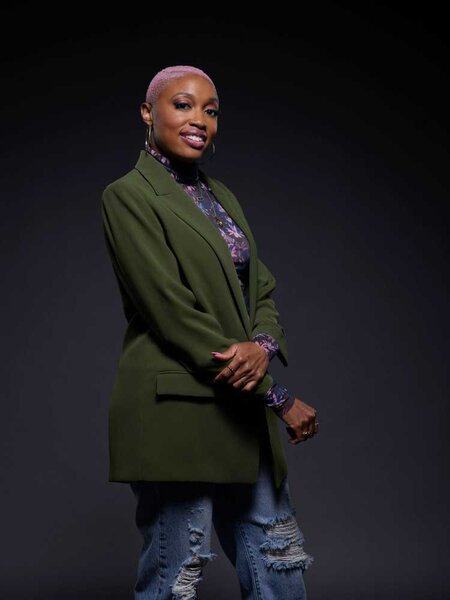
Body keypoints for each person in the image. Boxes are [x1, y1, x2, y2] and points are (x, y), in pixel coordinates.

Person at [101, 65, 319, 600]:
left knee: (280, 569)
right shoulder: (128, 196)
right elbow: (172, 313)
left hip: (241, 415)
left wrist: (262, 346)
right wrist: (277, 395)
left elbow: (260, 287)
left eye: (211, 110)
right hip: (178, 415)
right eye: (183, 105)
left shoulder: (219, 195)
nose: (199, 119)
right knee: (175, 579)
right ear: (148, 113)